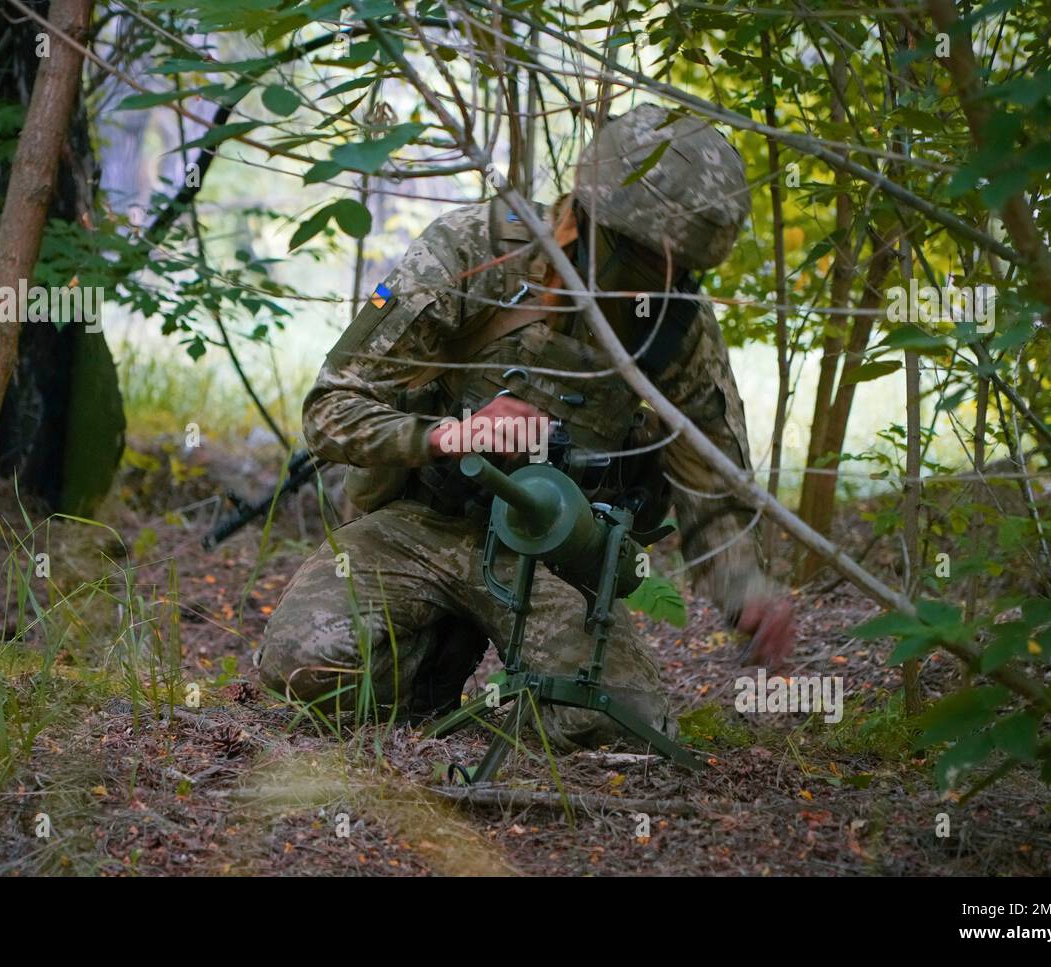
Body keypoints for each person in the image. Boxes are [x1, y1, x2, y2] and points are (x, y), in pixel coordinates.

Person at [255, 103, 795, 748]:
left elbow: (713, 484)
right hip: (420, 525)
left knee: (611, 724)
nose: (663, 282)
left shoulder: (677, 327)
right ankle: (426, 664)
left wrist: (746, 591)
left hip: (551, 554)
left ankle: (504, 684)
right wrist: (447, 435)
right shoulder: (472, 251)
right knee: (308, 670)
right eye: (648, 260)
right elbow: (331, 410)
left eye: (681, 269)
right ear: (591, 221)